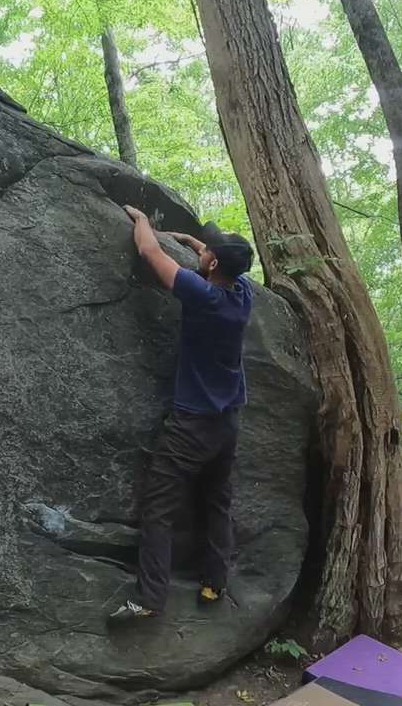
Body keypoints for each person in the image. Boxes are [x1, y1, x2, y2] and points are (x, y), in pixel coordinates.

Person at [109, 205, 255, 622]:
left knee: (158, 508)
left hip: (191, 425)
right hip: (227, 425)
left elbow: (149, 251)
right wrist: (197, 244)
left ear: (210, 264)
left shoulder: (202, 294)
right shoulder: (241, 294)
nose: (202, 250)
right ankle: (214, 581)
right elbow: (213, 260)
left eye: (208, 251)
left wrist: (141, 221)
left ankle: (149, 599)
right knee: (217, 501)